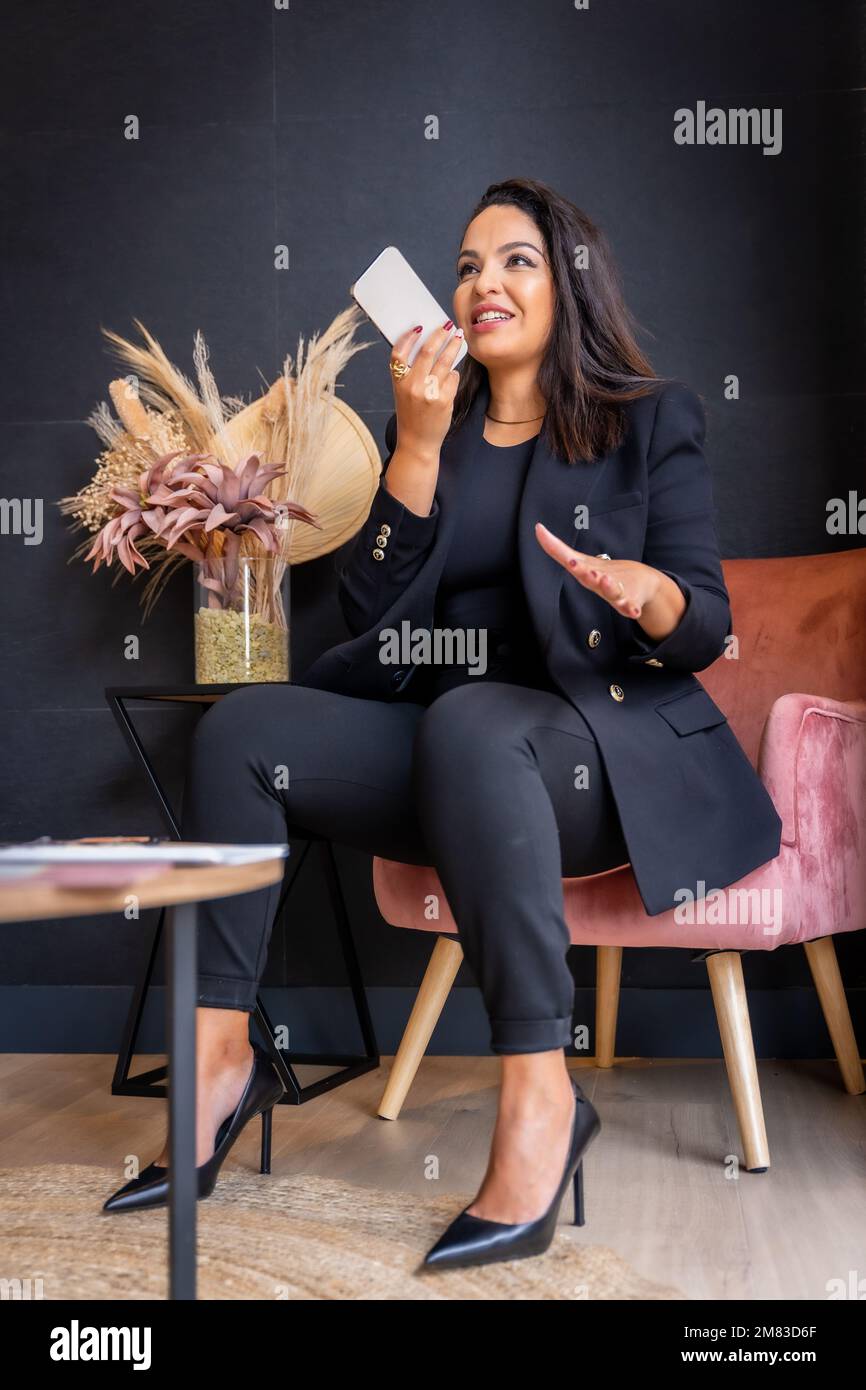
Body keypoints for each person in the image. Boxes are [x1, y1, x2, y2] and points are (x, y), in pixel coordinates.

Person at [103, 177, 782, 1271]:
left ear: (566, 282)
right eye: (465, 266)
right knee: (240, 732)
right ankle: (225, 1057)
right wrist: (413, 449)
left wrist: (638, 589)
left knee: (473, 720)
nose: (481, 283)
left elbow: (700, 623)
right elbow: (372, 614)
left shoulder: (648, 419)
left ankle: (539, 1099)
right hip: (457, 753)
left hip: (589, 761)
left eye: (513, 259)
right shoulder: (431, 424)